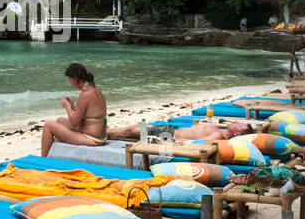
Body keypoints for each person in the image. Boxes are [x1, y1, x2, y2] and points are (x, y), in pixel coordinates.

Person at [40, 63, 107, 156]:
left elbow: (74, 123)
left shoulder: (85, 94)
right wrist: (73, 107)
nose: (70, 83)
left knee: (48, 125)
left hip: (92, 139)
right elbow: (89, 114)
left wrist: (67, 106)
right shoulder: (96, 91)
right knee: (60, 120)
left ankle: (43, 159)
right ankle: (56, 156)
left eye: (70, 79)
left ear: (75, 78)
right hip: (98, 136)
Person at [107, 119, 250, 142]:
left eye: (240, 124)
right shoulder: (219, 131)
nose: (237, 121)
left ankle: (105, 132)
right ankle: (109, 131)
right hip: (172, 130)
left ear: (236, 134)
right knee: (138, 126)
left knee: (133, 129)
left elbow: (197, 143)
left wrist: (173, 141)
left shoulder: (218, 136)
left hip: (169, 135)